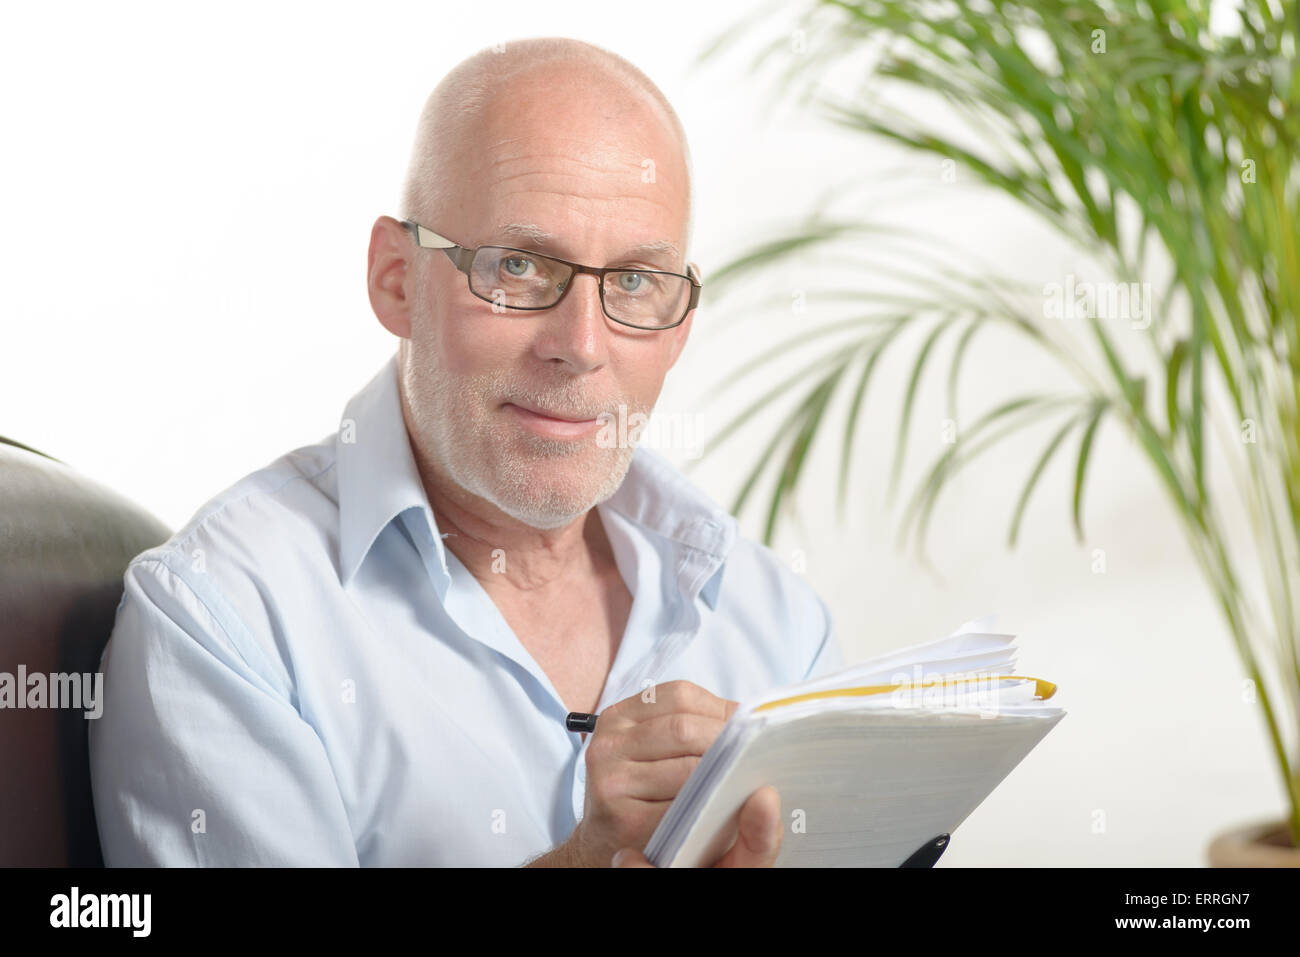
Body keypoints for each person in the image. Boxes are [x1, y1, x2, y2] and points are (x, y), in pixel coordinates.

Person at [89, 36, 844, 867]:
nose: (582, 345)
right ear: (396, 280)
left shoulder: (783, 629)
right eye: (518, 266)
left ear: (681, 322)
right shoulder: (225, 620)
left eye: (633, 281)